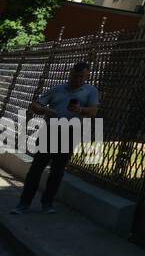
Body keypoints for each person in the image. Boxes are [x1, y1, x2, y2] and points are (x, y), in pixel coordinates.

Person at [9, 61, 99, 215]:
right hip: (50, 131)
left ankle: (47, 203)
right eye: (76, 76)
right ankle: (24, 203)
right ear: (70, 74)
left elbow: (93, 111)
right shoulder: (57, 89)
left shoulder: (90, 91)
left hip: (69, 134)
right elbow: (35, 105)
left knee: (57, 171)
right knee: (37, 168)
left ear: (87, 77)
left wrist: (80, 109)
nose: (78, 80)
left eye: (82, 77)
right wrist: (46, 110)